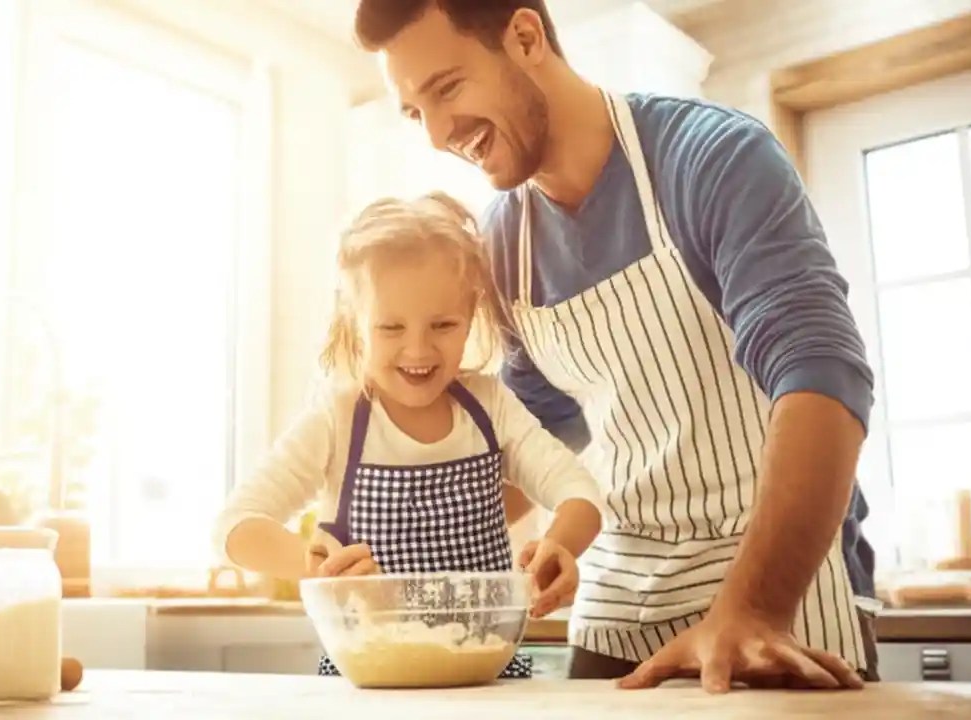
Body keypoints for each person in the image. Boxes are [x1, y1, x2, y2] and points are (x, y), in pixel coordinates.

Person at [352, 0, 879, 692]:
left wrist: (753, 607)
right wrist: (382, 551)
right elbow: (527, 444)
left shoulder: (711, 159)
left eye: (447, 89)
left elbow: (823, 379)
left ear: (525, 37)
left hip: (781, 594)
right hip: (621, 601)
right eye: (416, 111)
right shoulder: (504, 246)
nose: (439, 135)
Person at [212, 192, 603, 678]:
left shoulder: (490, 406)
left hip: (486, 681)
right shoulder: (339, 417)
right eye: (390, 326)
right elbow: (233, 526)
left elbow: (577, 490)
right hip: (370, 685)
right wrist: (311, 563)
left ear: (471, 315)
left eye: (443, 324)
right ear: (353, 325)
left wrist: (560, 546)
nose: (418, 349)